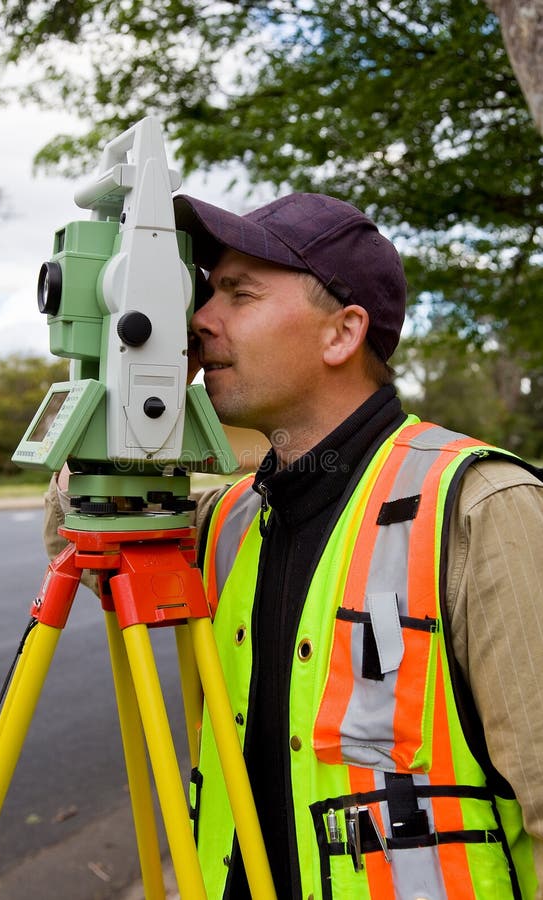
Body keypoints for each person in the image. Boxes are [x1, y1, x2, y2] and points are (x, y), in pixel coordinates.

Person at [45, 192, 543, 899]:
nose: (197, 321)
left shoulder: (478, 508)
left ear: (340, 334)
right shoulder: (230, 520)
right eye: (202, 294)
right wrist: (126, 372)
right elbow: (85, 520)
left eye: (237, 294)